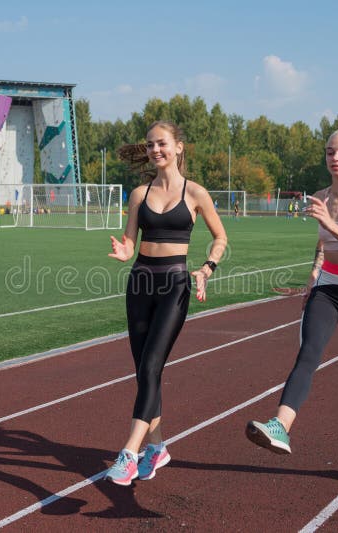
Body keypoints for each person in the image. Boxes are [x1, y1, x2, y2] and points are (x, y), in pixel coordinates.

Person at [245, 128, 338, 487]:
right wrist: (313, 274)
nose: (334, 158)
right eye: (329, 152)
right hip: (327, 285)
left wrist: (329, 223)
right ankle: (280, 426)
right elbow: (323, 244)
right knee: (307, 355)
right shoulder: (322, 196)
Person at [106, 121, 227, 485]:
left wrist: (207, 268)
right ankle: (157, 448)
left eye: (161, 144)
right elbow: (130, 243)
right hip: (140, 283)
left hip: (175, 285)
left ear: (178, 147)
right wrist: (123, 249)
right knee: (145, 372)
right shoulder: (138, 194)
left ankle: (129, 452)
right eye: (149, 145)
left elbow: (220, 237)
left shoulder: (196, 194)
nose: (155, 150)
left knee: (153, 365)